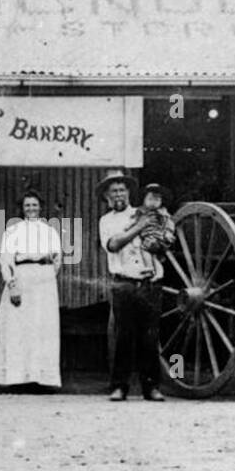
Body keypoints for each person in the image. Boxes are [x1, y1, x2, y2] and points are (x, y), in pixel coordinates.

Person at [97, 170, 166, 402]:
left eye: (122, 190)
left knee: (150, 337)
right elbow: (114, 244)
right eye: (113, 191)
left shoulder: (141, 212)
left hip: (149, 283)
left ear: (128, 193)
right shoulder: (105, 221)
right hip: (123, 284)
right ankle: (119, 387)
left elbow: (159, 237)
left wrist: (156, 241)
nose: (118, 194)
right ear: (107, 196)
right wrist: (138, 227)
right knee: (123, 338)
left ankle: (151, 387)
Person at [0, 189, 62, 390]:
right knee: (18, 330)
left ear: (41, 207)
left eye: (34, 205)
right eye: (27, 205)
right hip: (21, 278)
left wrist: (45, 277)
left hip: (44, 282)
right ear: (22, 208)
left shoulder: (50, 231)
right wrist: (11, 283)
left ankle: (42, 379)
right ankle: (15, 379)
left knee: (42, 329)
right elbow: (5, 260)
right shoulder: (13, 230)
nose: (31, 209)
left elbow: (57, 260)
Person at [134, 183, 176, 254]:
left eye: (157, 200)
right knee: (142, 250)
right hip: (143, 236)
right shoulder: (140, 212)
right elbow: (134, 222)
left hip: (158, 236)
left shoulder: (162, 213)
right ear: (143, 199)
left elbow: (169, 223)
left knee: (151, 249)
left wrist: (168, 233)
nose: (153, 203)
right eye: (150, 199)